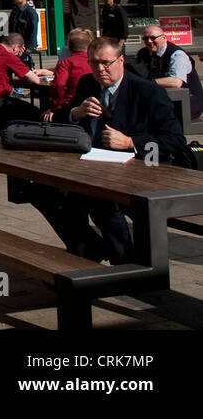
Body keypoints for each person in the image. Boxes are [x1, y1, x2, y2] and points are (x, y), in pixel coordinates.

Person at [25, 38, 186, 262]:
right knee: (41, 190)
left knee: (99, 198)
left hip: (137, 167)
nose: (100, 69)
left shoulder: (146, 91)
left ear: (121, 61)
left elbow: (175, 139)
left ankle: (125, 261)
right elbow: (62, 123)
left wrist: (130, 142)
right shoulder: (87, 83)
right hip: (90, 163)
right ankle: (88, 247)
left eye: (106, 63)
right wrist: (76, 113)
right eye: (94, 63)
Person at [0, 33, 53, 133]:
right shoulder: (7, 56)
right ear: (15, 48)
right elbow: (36, 80)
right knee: (36, 114)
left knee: (11, 108)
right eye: (19, 51)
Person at [136, 25, 203, 120]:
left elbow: (176, 82)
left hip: (187, 104)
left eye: (153, 38)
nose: (149, 41)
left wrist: (148, 83)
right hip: (162, 100)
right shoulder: (142, 53)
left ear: (164, 38)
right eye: (146, 39)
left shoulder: (177, 55)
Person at [48, 29, 93, 121]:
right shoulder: (95, 61)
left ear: (69, 47)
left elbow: (59, 85)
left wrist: (56, 106)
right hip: (93, 104)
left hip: (70, 104)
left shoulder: (66, 63)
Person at [8, 0, 41, 66]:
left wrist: (30, 46)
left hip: (25, 45)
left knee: (23, 65)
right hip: (14, 44)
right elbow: (11, 28)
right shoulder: (14, 11)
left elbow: (33, 30)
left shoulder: (30, 12)